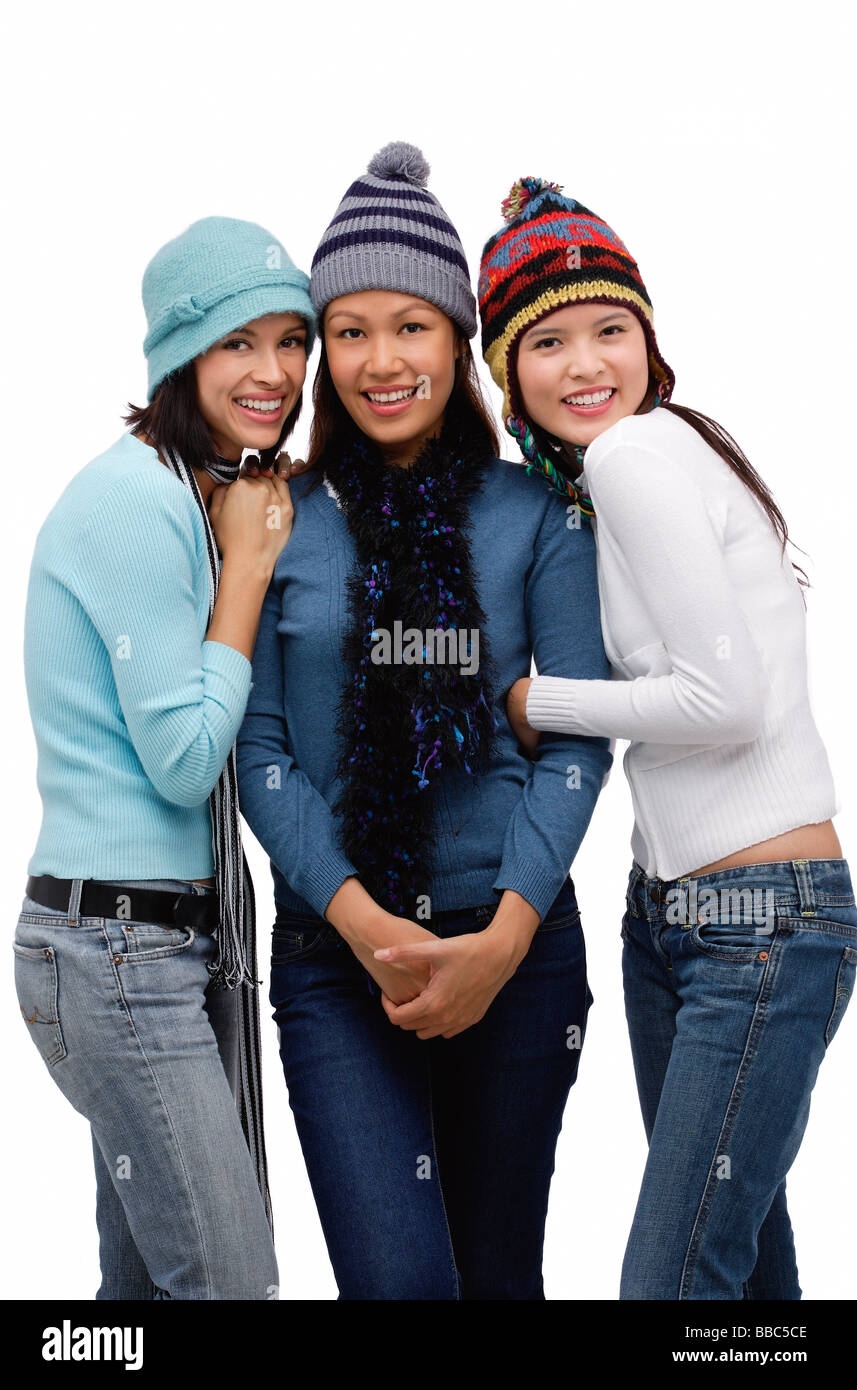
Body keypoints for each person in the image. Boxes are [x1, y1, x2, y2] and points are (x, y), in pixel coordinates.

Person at [235, 143, 613, 1300]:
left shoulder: (533, 513)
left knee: (500, 1282)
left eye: (413, 326)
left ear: (458, 343)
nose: (381, 360)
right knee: (400, 1285)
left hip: (518, 946)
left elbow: (578, 738)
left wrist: (500, 940)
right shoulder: (273, 514)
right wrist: (358, 924)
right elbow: (259, 753)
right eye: (348, 330)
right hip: (335, 958)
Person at [480, 176, 855, 1299]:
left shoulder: (636, 455)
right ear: (506, 371)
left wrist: (533, 703)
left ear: (648, 338)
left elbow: (724, 701)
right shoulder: (643, 465)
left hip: (755, 921)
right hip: (686, 917)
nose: (587, 361)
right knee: (739, 1289)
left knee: (676, 1285)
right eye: (547, 340)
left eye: (612, 327)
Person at [15, 215, 315, 1298]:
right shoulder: (140, 501)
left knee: (138, 1303)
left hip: (149, 947)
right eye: (240, 342)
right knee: (232, 1285)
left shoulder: (189, 488)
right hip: (115, 955)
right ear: (180, 357)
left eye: (292, 342)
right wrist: (245, 568)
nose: (273, 371)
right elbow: (186, 763)